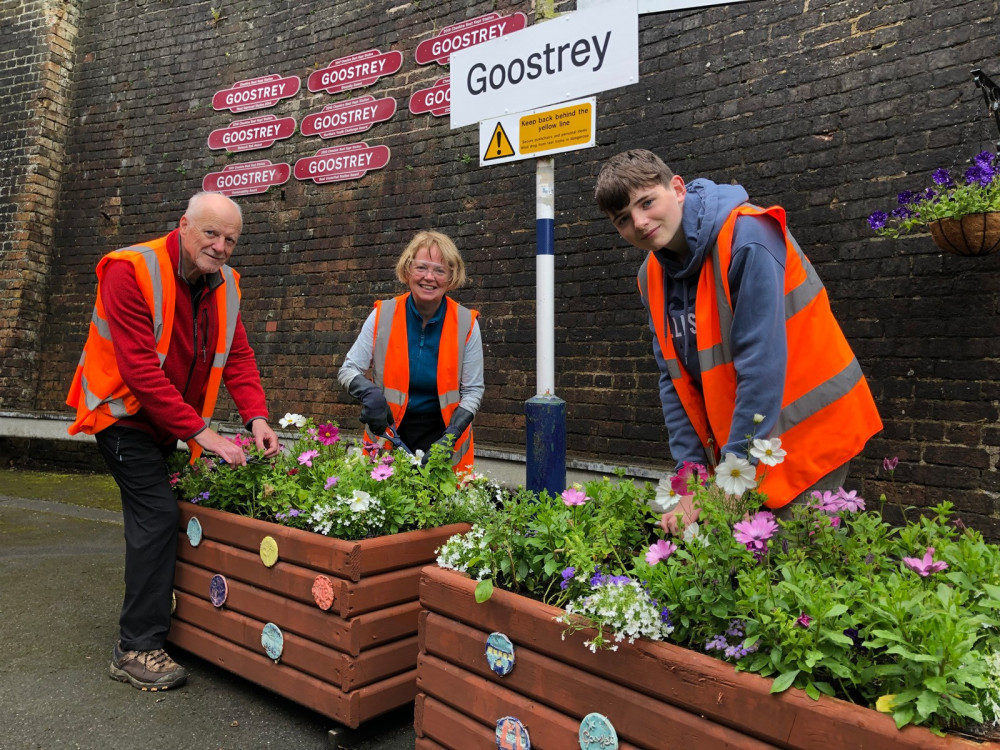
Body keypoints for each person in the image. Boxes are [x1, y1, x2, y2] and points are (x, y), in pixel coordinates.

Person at [594, 149, 882, 530]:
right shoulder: (651, 275)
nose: (640, 222)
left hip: (810, 428)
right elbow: (674, 383)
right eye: (623, 220)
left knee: (785, 564)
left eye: (647, 202)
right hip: (755, 438)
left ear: (677, 188)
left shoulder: (748, 237)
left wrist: (731, 476)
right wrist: (692, 478)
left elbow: (759, 365)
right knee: (742, 560)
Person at [66, 191, 280, 691]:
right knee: (159, 515)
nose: (221, 246)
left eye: (230, 239)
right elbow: (140, 370)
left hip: (167, 423)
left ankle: (160, 621)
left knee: (157, 518)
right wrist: (204, 434)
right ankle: (135, 647)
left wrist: (257, 418)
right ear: (184, 225)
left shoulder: (223, 284)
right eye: (211, 232)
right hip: (120, 417)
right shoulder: (129, 269)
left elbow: (240, 355)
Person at [338, 230, 484, 472]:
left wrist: (451, 436)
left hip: (444, 442)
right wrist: (369, 393)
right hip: (389, 438)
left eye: (440, 270)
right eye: (422, 268)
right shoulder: (382, 315)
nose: (430, 277)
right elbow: (349, 369)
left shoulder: (466, 323)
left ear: (451, 276)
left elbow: (473, 390)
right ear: (407, 271)